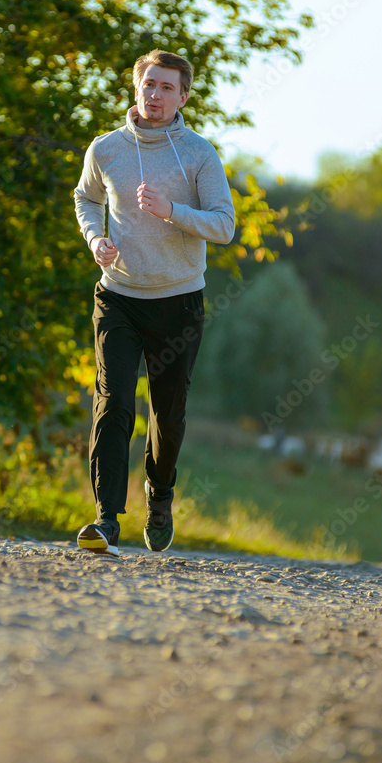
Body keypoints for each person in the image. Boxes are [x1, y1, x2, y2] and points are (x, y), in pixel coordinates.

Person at [73, 48, 235, 557]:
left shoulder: (199, 154)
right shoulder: (106, 149)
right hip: (118, 296)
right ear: (136, 89)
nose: (157, 95)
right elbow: (86, 198)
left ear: (183, 96)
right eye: (150, 85)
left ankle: (160, 496)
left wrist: (173, 211)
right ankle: (105, 520)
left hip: (178, 302)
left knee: (167, 413)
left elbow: (225, 226)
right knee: (113, 401)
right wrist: (95, 239)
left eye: (167, 88)